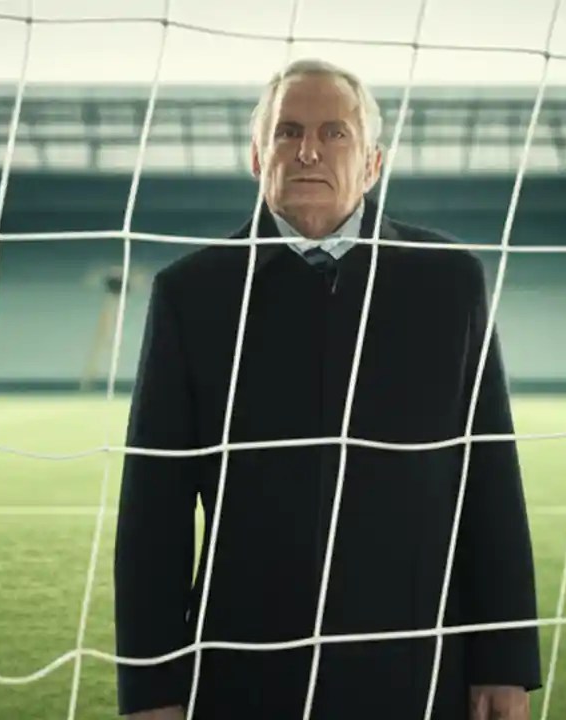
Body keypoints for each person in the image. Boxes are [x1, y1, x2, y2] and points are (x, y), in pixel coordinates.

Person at [114, 58, 541, 720]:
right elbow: (154, 514)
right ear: (258, 158)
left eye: (334, 132)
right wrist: (152, 690)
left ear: (372, 163)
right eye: (287, 132)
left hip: (418, 669)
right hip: (244, 675)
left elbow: (488, 482)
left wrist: (503, 663)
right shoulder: (192, 293)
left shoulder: (449, 282)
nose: (308, 149)